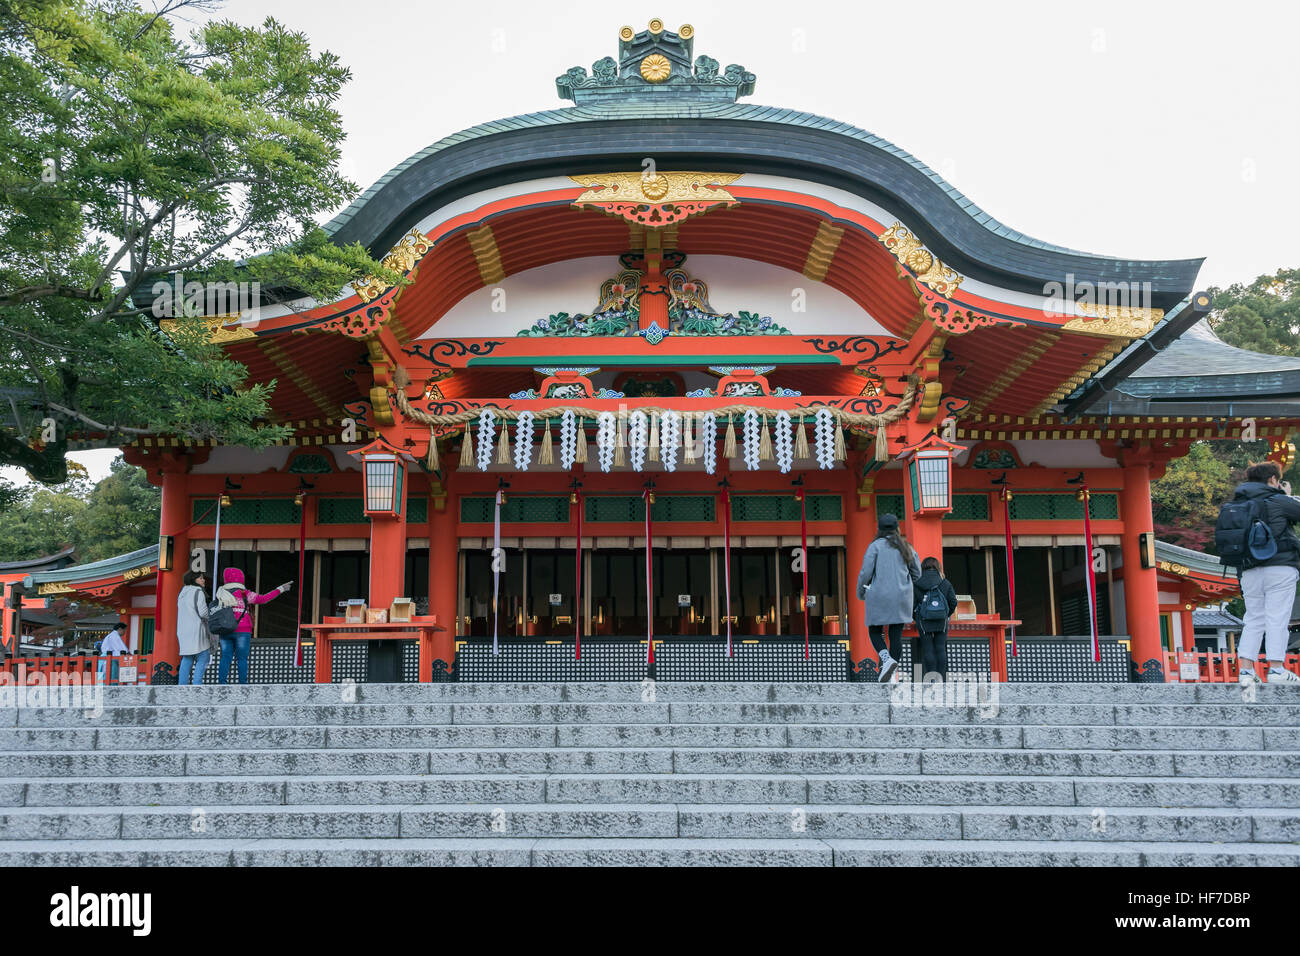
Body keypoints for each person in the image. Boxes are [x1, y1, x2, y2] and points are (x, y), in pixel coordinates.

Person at [1230, 462, 1300, 684]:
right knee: (1277, 617)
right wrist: (1287, 496)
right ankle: (1277, 669)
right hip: (1280, 567)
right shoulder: (1278, 500)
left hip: (1249, 570)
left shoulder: (1236, 504)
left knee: (1253, 618)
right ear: (1272, 479)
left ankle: (1246, 671)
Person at [857, 513, 921, 682]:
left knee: (875, 630)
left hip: (879, 594)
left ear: (879, 529)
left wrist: (861, 592)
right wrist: (905, 584)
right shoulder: (906, 547)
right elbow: (917, 573)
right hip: (902, 596)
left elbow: (865, 573)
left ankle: (886, 660)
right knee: (895, 634)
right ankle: (892, 674)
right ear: (897, 529)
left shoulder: (875, 547)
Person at [214, 568, 291, 684]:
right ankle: (243, 684)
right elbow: (263, 599)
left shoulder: (220, 594)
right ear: (241, 579)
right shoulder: (245, 593)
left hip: (225, 630)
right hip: (243, 630)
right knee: (242, 659)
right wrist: (280, 589)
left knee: (225, 657)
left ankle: (221, 684)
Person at [912, 556, 958, 681]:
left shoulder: (917, 584)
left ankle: (931, 678)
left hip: (923, 620)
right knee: (940, 648)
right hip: (941, 620)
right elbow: (953, 602)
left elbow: (912, 604)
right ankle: (941, 679)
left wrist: (917, 617)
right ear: (938, 567)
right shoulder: (945, 583)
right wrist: (946, 614)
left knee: (927, 648)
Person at [176, 571, 213, 685]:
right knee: (203, 656)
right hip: (196, 629)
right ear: (194, 579)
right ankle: (197, 684)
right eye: (200, 578)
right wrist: (210, 616)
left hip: (183, 630)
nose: (203, 580)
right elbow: (202, 612)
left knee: (187, 658)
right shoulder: (198, 592)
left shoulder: (182, 592)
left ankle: (182, 686)